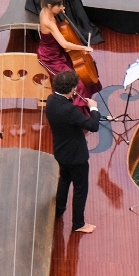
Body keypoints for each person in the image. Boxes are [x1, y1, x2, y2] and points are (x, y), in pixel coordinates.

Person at [46, 70, 101, 234]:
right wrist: (94, 109)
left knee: (64, 180)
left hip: (61, 152)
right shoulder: (70, 110)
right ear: (70, 89)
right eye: (74, 89)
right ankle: (78, 224)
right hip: (76, 157)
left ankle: (59, 209)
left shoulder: (51, 100)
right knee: (80, 189)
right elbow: (93, 126)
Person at [37, 0, 98, 113]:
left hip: (57, 52)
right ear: (50, 6)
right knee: (74, 84)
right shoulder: (48, 22)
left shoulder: (46, 9)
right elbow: (64, 44)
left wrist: (59, 11)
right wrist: (83, 47)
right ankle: (77, 113)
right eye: (59, 5)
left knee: (78, 73)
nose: (61, 7)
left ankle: (81, 106)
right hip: (49, 58)